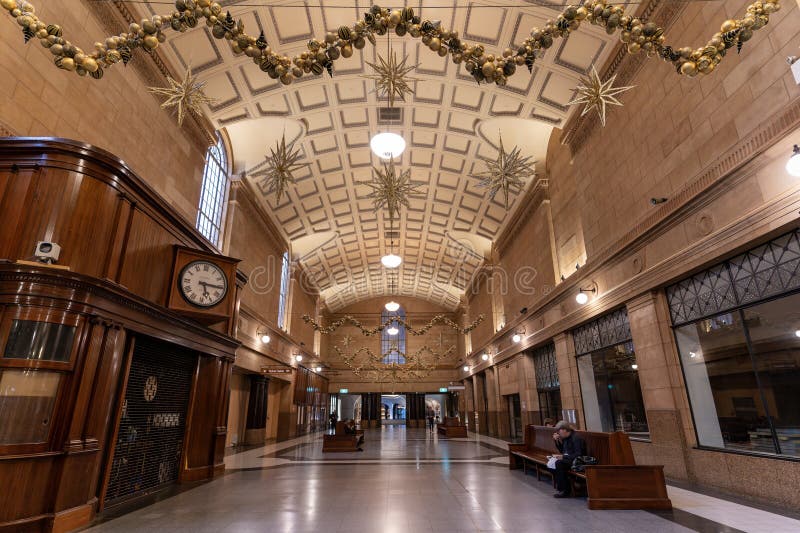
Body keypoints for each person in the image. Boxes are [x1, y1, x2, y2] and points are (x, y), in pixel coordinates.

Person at [549, 420, 586, 498]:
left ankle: (565, 490)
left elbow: (579, 454)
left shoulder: (576, 438)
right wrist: (557, 441)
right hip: (569, 459)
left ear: (565, 430)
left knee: (559, 464)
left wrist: (563, 457)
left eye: (559, 431)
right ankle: (561, 487)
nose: (558, 433)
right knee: (551, 463)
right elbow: (562, 451)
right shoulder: (565, 438)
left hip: (577, 461)